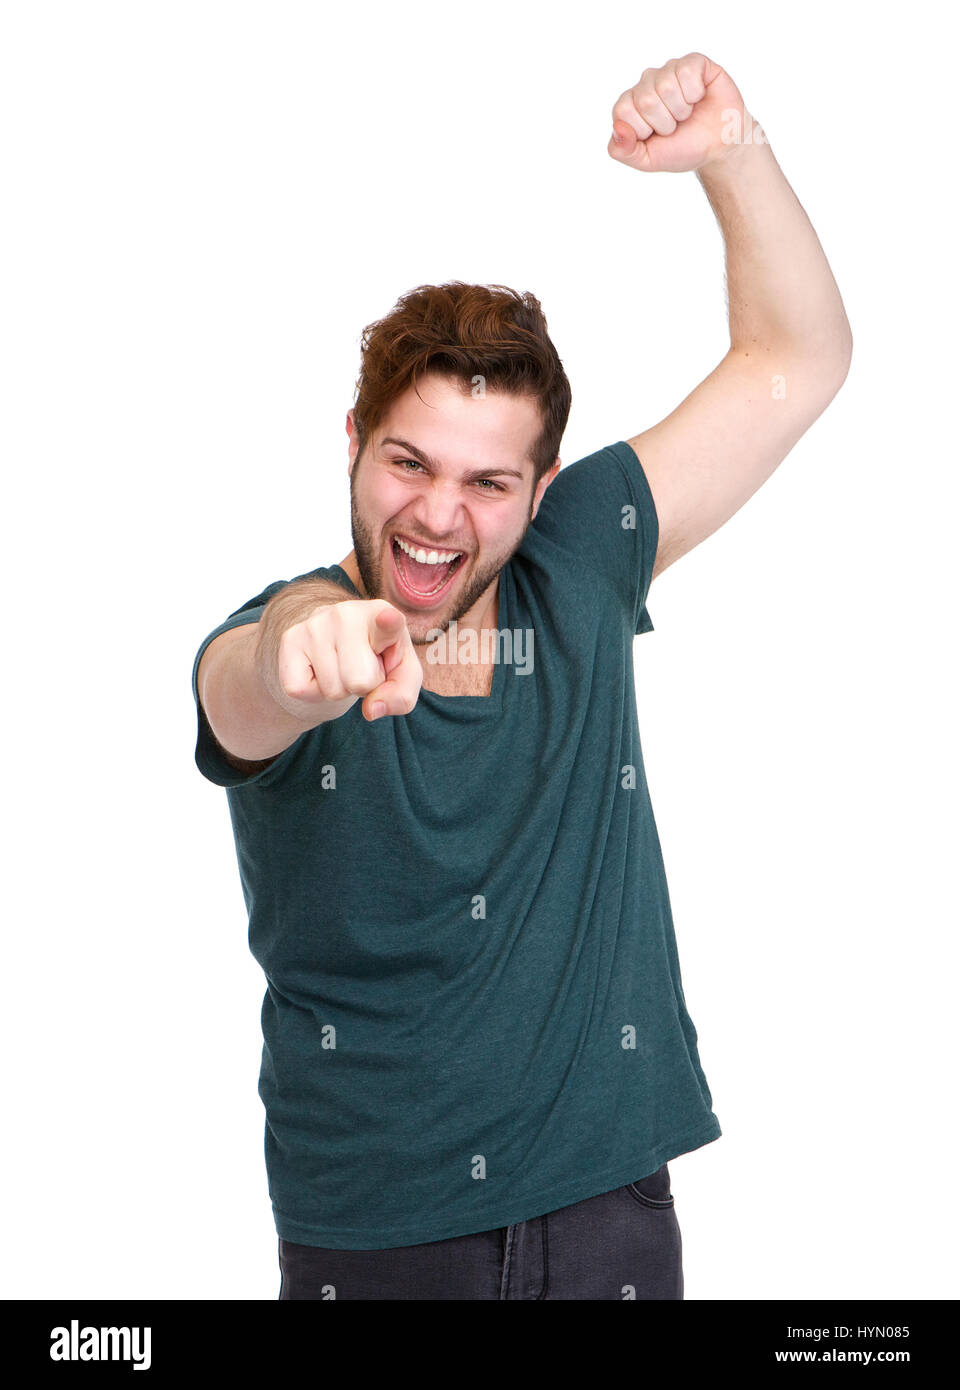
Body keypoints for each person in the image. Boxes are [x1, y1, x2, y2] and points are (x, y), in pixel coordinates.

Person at [190, 53, 851, 1300]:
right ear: (353, 440)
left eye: (488, 482)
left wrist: (732, 152)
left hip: (611, 1213)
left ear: (544, 492)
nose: (438, 514)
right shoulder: (300, 631)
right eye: (407, 462)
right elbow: (245, 686)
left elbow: (797, 356)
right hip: (375, 1243)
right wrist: (299, 655)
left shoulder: (582, 562)